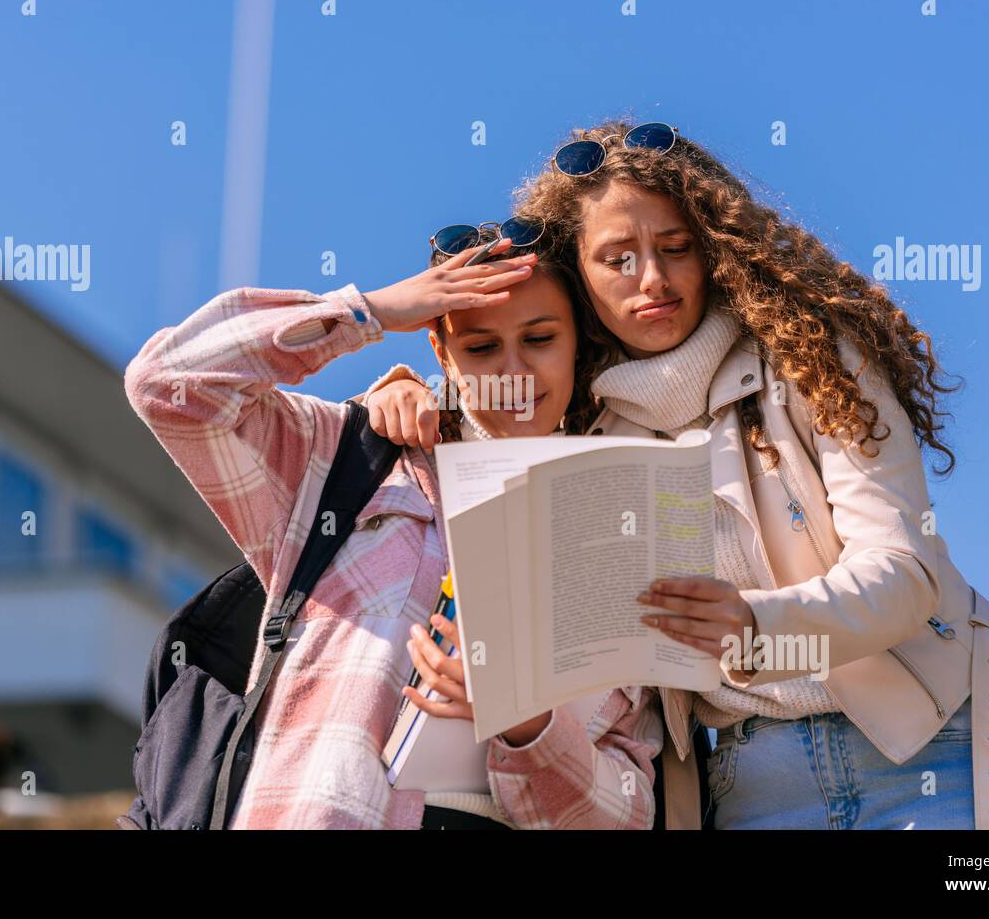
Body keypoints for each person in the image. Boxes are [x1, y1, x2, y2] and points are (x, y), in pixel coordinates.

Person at [363, 119, 989, 829]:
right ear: (577, 279)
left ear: (714, 249)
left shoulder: (815, 361)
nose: (651, 280)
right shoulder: (581, 427)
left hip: (922, 755)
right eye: (617, 259)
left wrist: (757, 626)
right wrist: (403, 391)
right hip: (742, 788)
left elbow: (905, 572)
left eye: (674, 248)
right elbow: (486, 413)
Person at [123, 228, 662, 829]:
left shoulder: (620, 534)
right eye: (481, 348)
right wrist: (371, 311)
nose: (513, 371)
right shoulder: (340, 459)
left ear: (577, 345)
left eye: (539, 339)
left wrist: (529, 725)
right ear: (441, 350)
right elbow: (166, 384)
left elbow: (630, 811)